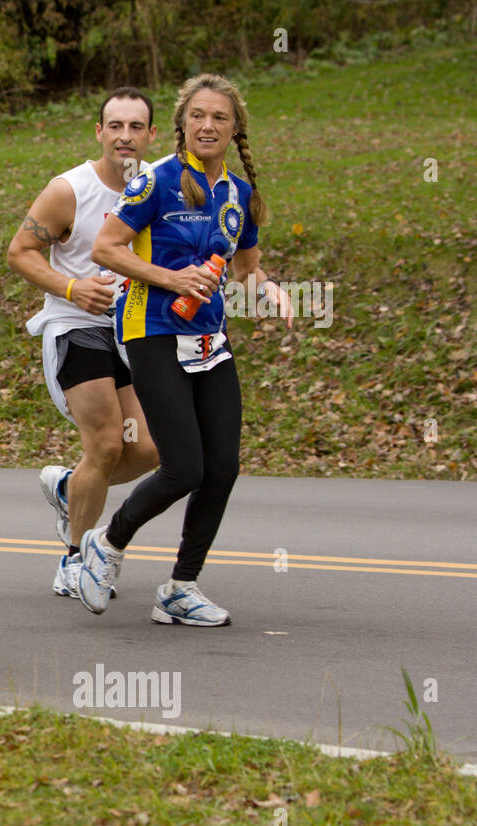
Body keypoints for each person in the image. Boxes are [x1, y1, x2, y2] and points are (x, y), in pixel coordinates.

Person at [81, 73, 293, 625]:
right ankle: (106, 543)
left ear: (234, 128)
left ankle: (181, 587)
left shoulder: (238, 194)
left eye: (219, 117)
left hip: (210, 339)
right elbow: (106, 248)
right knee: (184, 467)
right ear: (181, 124)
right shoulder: (156, 182)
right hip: (150, 331)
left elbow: (245, 268)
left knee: (222, 467)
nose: (208, 125)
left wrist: (266, 287)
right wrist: (171, 280)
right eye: (198, 115)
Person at [7, 87, 160, 600]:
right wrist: (73, 288)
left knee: (150, 449)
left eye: (135, 127)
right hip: (77, 327)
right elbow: (21, 251)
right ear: (99, 132)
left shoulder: (158, 185)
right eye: (115, 126)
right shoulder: (68, 190)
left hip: (133, 331)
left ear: (151, 135)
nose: (125, 136)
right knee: (107, 443)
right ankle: (74, 560)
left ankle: (72, 488)